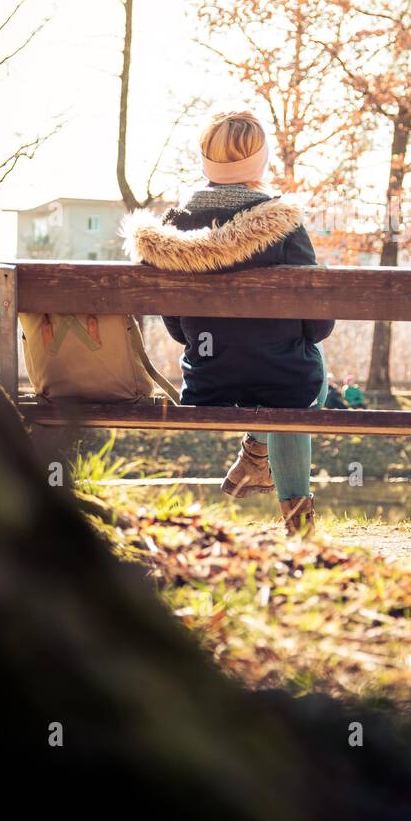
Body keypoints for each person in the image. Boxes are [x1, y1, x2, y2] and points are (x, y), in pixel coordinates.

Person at [122, 109, 332, 535]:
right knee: (300, 387)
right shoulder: (284, 227)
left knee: (289, 386)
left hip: (208, 380)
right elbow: (318, 325)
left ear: (205, 161)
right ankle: (293, 516)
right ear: (260, 160)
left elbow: (179, 329)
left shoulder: (172, 230)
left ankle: (257, 457)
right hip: (285, 376)